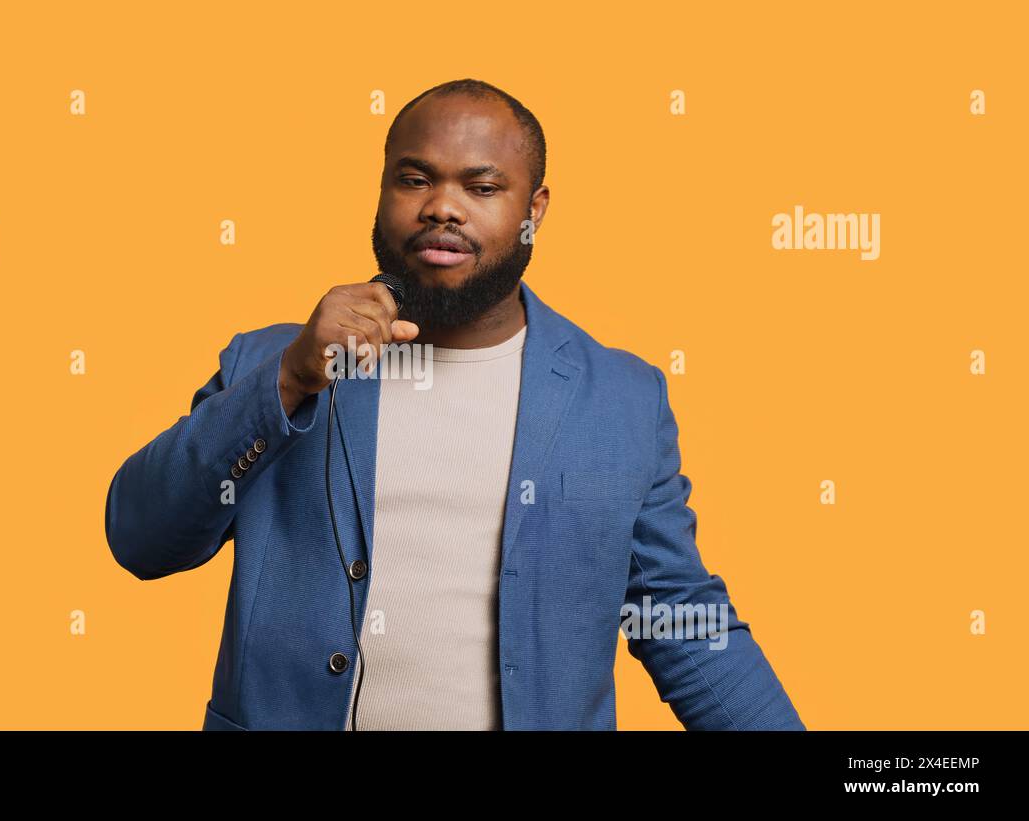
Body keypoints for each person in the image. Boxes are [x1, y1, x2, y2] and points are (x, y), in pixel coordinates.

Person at [104, 78, 805, 731]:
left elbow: (676, 616)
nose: (442, 205)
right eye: (415, 179)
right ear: (381, 193)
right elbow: (141, 536)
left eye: (482, 185)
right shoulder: (270, 364)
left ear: (534, 211)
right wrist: (290, 380)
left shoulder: (620, 397)